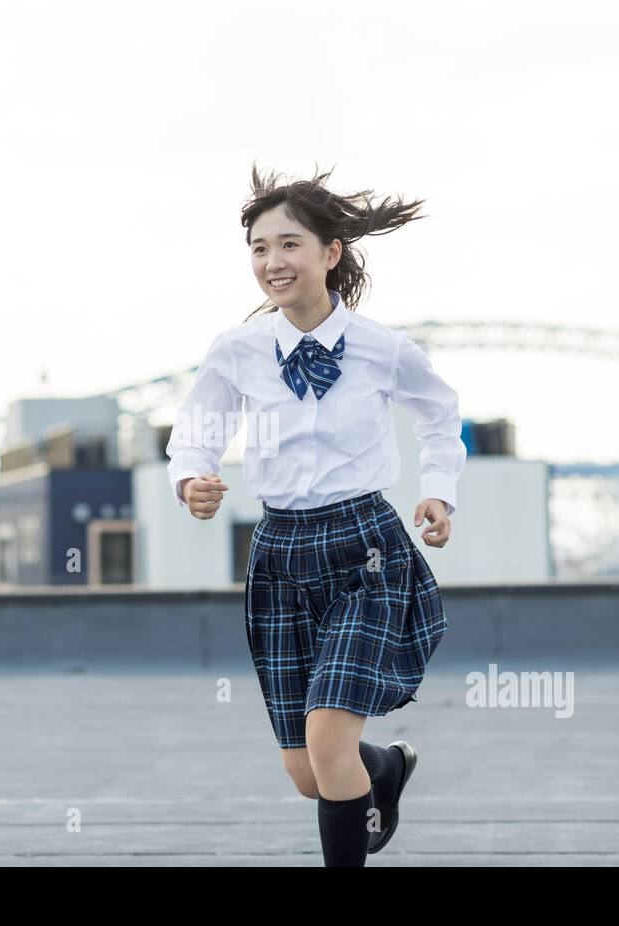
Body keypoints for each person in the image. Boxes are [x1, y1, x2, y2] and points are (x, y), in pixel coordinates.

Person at [165, 162, 466, 867]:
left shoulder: (382, 348)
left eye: (289, 244)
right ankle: (384, 772)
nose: (272, 261)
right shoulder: (236, 350)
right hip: (280, 554)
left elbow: (440, 415)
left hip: (365, 548)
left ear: (331, 253)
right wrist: (192, 480)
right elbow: (195, 433)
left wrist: (439, 490)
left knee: (330, 744)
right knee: (310, 774)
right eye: (260, 248)